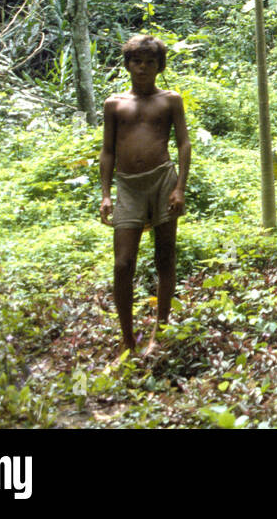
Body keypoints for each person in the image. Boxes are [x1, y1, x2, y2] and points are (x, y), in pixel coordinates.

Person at [99, 34, 190, 357]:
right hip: (128, 185)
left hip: (163, 181)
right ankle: (127, 339)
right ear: (127, 65)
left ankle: (159, 332)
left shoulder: (170, 100)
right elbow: (108, 151)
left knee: (165, 256)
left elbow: (183, 144)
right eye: (137, 61)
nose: (143, 68)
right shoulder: (114, 104)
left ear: (159, 67)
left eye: (150, 62)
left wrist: (180, 186)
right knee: (123, 263)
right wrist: (106, 194)